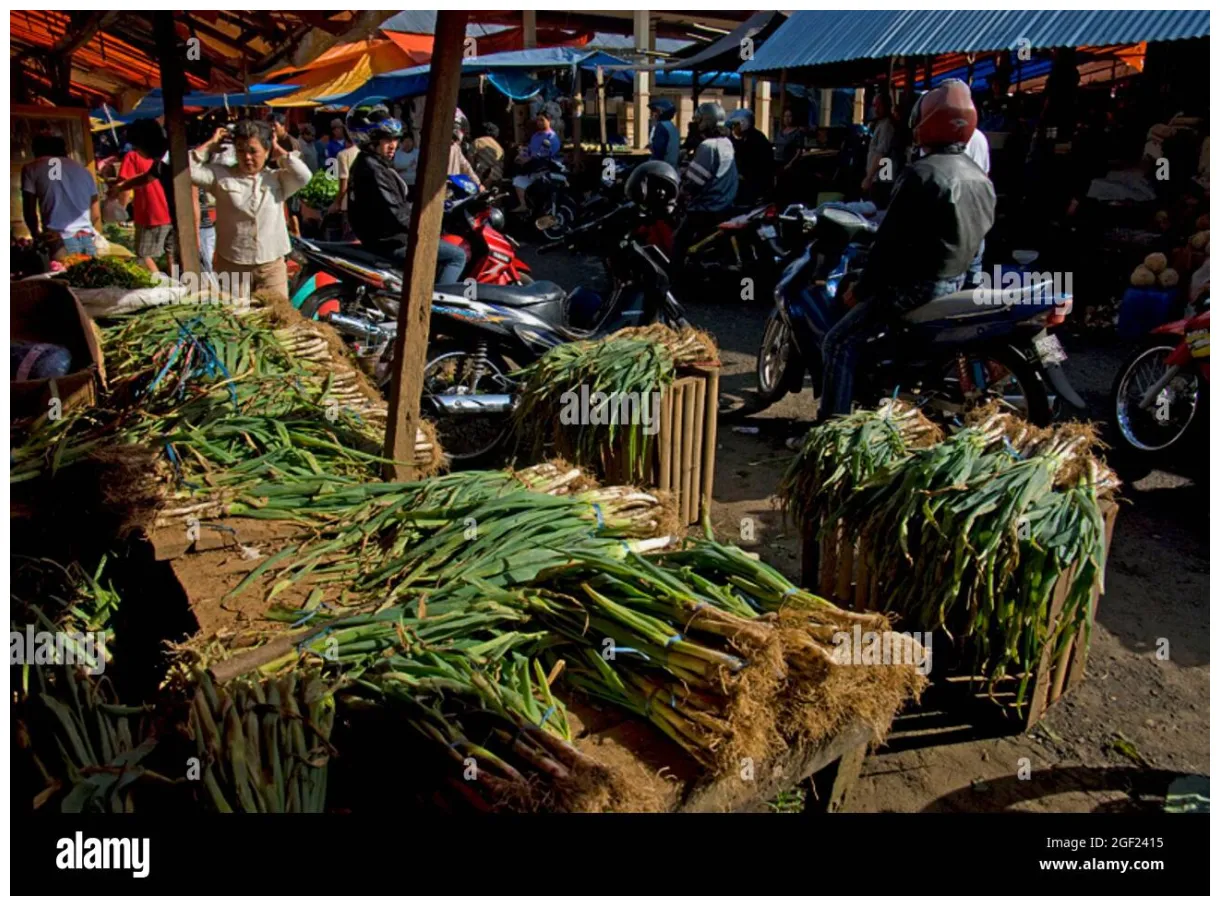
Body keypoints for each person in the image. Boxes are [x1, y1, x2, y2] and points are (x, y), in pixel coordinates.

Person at [818, 79, 996, 422]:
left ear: (926, 122)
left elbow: (890, 245)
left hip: (918, 287)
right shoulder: (980, 177)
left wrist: (862, 287)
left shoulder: (921, 174)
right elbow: (979, 241)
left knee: (837, 343)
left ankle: (829, 430)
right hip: (958, 281)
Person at [345, 99, 468, 285]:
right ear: (370, 139)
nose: (393, 145)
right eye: (387, 139)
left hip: (383, 239)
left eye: (395, 139)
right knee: (457, 256)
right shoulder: (373, 168)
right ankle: (435, 307)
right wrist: (428, 225)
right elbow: (398, 214)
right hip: (391, 243)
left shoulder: (371, 163)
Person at [189, 119, 311, 299]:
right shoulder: (220, 175)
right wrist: (210, 145)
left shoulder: (277, 178)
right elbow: (187, 171)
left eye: (253, 151)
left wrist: (279, 151)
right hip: (233, 265)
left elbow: (304, 176)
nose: (247, 157)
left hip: (271, 264)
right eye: (241, 151)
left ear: (266, 151)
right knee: (237, 319)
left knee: (277, 318)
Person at [670, 101, 737, 281]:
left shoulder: (708, 146)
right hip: (725, 202)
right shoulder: (726, 143)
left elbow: (695, 180)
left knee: (679, 241)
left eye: (698, 120)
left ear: (706, 122)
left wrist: (681, 193)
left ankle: (673, 282)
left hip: (707, 205)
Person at [21, 131, 101, 258]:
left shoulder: (32, 168)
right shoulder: (83, 171)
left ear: (36, 149)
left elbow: (29, 211)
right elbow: (95, 214)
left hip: (57, 239)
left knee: (60, 275)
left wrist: (36, 235)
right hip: (86, 237)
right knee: (85, 275)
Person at [112, 119, 176, 273]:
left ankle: (163, 287)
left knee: (143, 255)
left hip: (152, 215)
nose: (135, 150)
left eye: (136, 146)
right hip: (172, 216)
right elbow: (147, 177)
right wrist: (121, 187)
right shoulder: (164, 158)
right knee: (173, 255)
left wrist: (120, 210)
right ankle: (177, 286)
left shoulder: (168, 158)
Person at [511, 111, 560, 213]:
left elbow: (544, 154)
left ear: (549, 120)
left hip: (546, 169)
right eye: (538, 120)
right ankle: (524, 205)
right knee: (517, 180)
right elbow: (530, 150)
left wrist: (528, 159)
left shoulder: (552, 137)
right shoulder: (536, 136)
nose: (539, 122)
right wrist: (522, 154)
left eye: (542, 120)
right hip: (532, 168)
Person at [727, 108, 773, 204]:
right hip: (748, 183)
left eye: (736, 125)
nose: (734, 128)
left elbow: (750, 162)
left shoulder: (756, 139)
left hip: (755, 186)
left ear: (744, 124)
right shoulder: (745, 138)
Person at [862, 91, 898, 207]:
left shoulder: (887, 125)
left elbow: (881, 153)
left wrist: (869, 177)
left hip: (883, 177)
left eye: (879, 105)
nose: (876, 109)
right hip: (878, 178)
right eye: (874, 105)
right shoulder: (880, 123)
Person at [448, 111, 482, 189]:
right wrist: (478, 184)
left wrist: (478, 183)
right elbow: (466, 167)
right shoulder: (454, 147)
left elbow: (466, 166)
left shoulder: (456, 148)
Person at [647, 98, 680, 168]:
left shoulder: (661, 126)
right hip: (671, 167)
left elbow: (658, 151)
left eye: (654, 111)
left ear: (661, 111)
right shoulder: (673, 127)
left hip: (661, 168)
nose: (653, 114)